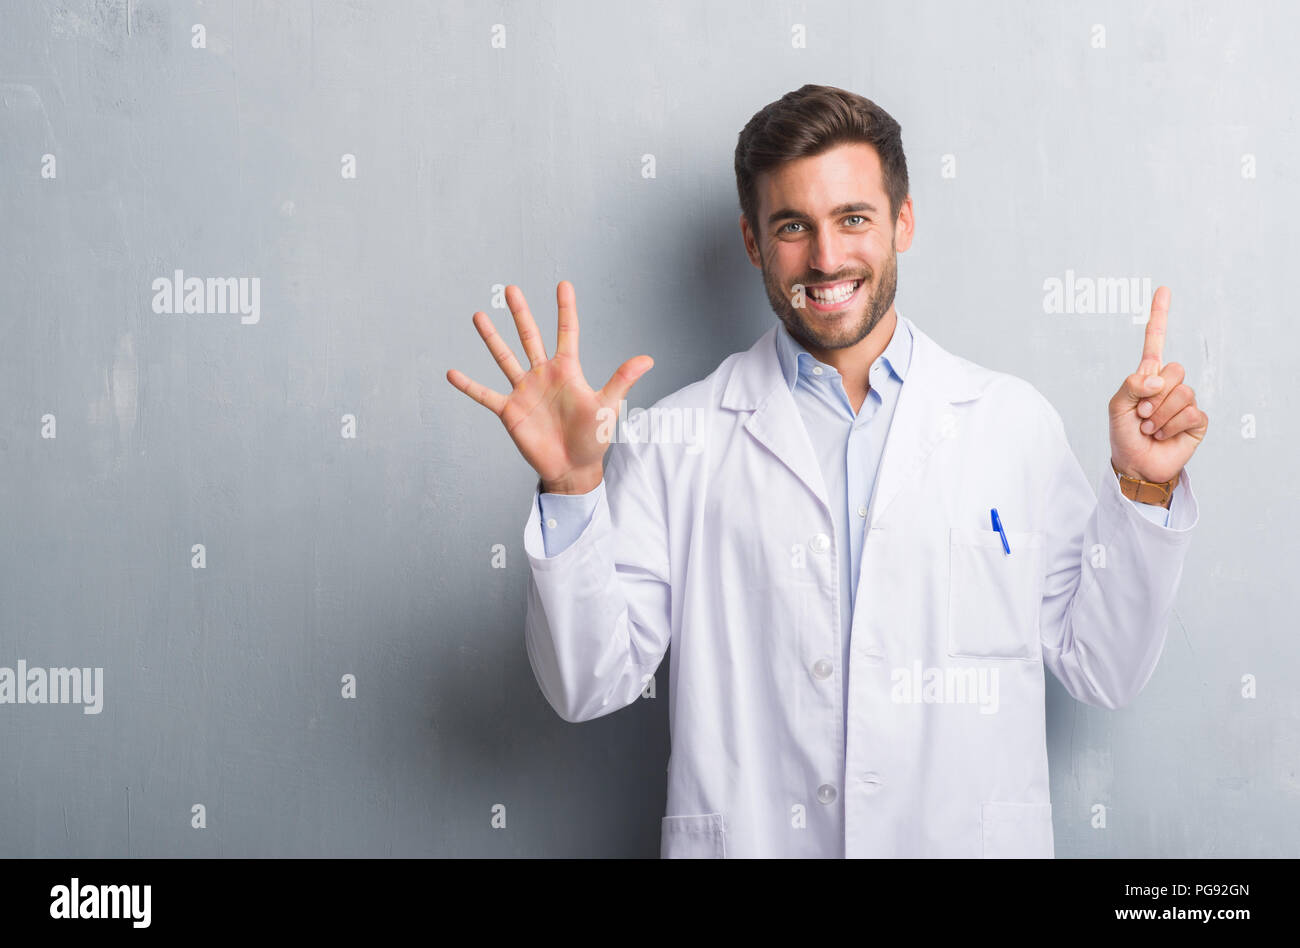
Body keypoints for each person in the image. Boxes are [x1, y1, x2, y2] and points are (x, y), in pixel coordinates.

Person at [446, 84, 1208, 858]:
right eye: (792, 227)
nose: (827, 257)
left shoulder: (1011, 425)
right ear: (752, 241)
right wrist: (574, 488)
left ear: (902, 221)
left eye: (853, 219)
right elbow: (588, 682)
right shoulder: (679, 438)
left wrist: (1144, 489)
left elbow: (1106, 666)